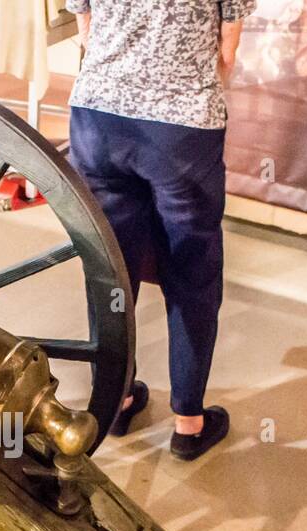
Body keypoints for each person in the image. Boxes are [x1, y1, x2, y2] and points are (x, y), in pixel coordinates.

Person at [65, 0, 253, 461]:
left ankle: (117, 401)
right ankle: (189, 423)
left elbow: (85, 29)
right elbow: (227, 50)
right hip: (182, 128)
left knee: (111, 270)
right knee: (193, 274)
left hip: (97, 118)